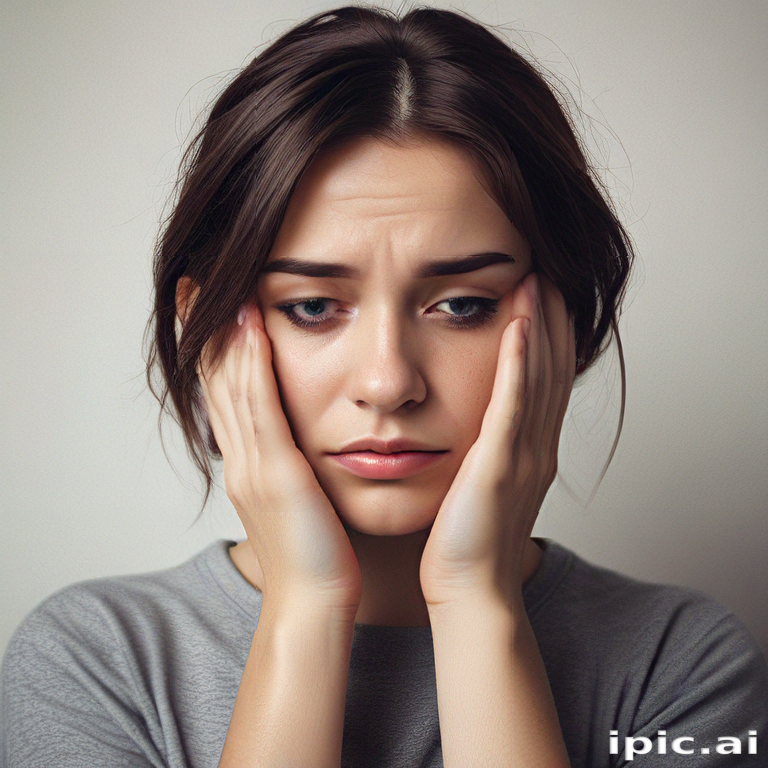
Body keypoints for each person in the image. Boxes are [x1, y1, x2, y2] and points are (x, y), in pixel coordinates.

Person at [1, 5, 766, 767]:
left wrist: (478, 603)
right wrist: (304, 612)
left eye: (462, 306)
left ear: (561, 321)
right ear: (207, 328)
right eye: (311, 308)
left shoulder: (684, 667)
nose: (388, 382)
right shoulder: (92, 665)